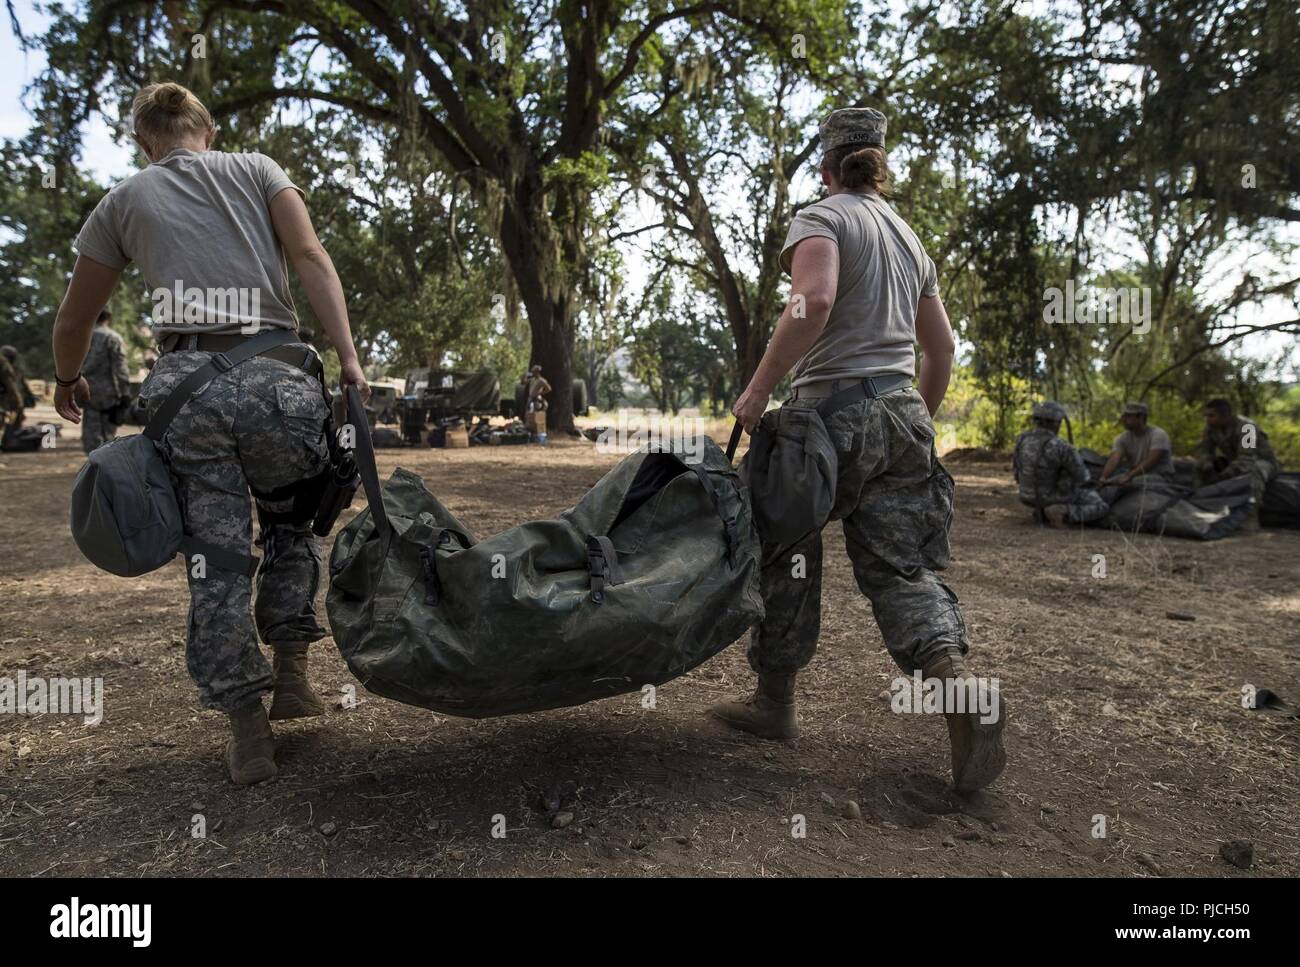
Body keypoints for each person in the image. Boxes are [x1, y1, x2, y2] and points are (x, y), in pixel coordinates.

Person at [52, 81, 369, 786]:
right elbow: (312, 256)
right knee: (293, 525)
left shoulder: (123, 200)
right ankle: (293, 673)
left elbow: (75, 317)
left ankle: (246, 729)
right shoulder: (259, 169)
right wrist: (347, 357)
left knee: (218, 557)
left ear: (144, 140)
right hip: (280, 379)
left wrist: (68, 375)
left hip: (185, 393)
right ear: (209, 130)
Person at [713, 107, 1005, 793]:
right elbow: (943, 349)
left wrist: (758, 389)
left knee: (785, 546)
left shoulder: (823, 217)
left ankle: (772, 702)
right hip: (904, 410)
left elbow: (811, 300)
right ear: (880, 163)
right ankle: (955, 686)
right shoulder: (910, 240)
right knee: (903, 568)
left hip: (829, 413)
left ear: (825, 164)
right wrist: (909, 425)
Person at [1013, 400, 1108, 524]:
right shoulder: (1062, 446)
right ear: (1057, 423)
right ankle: (1064, 511)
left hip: (1026, 495)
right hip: (1051, 497)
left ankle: (1042, 511)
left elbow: (1016, 470)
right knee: (1102, 507)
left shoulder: (1021, 439)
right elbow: (1083, 478)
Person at [1194, 398, 1279, 510]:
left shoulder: (1247, 427)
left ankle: (1251, 513)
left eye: (1212, 416)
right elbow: (1203, 450)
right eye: (1207, 416)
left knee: (1254, 471)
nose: (1208, 420)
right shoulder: (1211, 428)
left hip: (1262, 462)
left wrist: (1225, 474)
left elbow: (1247, 459)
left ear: (1226, 415)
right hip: (1235, 462)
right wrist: (1206, 463)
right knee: (1201, 467)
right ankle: (1200, 502)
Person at [77, 310, 132, 453]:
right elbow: (120, 367)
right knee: (108, 436)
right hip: (108, 394)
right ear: (109, 318)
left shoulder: (83, 336)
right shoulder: (113, 337)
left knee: (91, 433)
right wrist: (125, 392)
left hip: (86, 391)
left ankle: (92, 466)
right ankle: (105, 468)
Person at [1099, 402, 1174, 487]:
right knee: (1109, 484)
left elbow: (1151, 460)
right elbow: (1114, 459)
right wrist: (1104, 477)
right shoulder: (1122, 438)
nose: (1123, 419)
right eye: (1123, 416)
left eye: (1128, 416)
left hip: (1160, 475)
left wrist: (1129, 476)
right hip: (1136, 474)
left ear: (1141, 417)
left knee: (1134, 482)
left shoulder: (1159, 434)